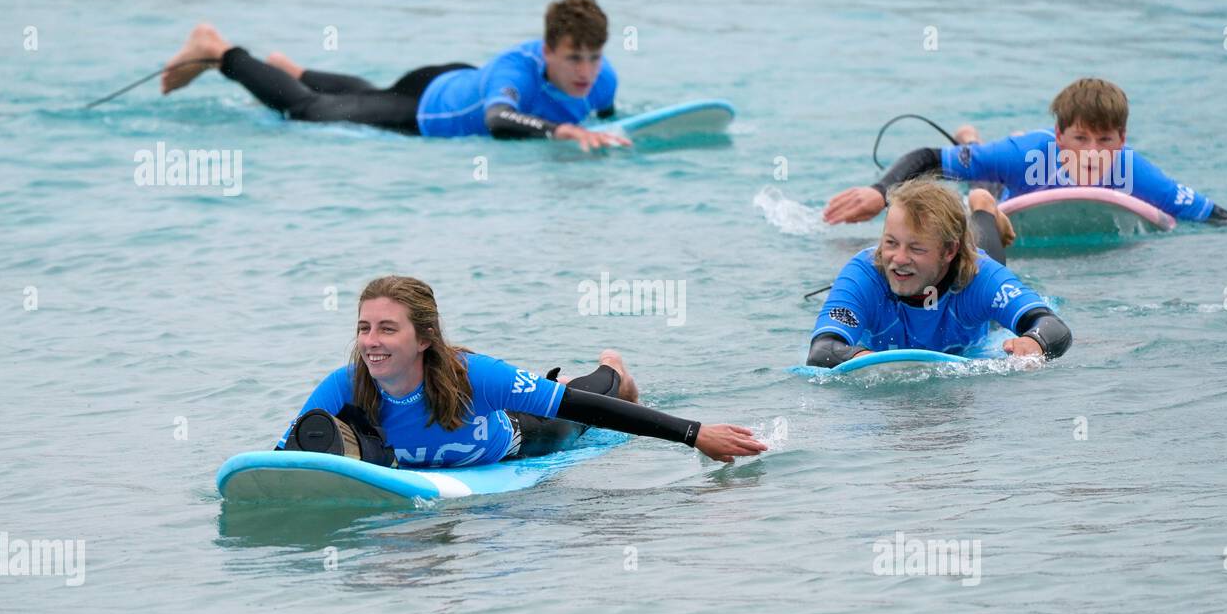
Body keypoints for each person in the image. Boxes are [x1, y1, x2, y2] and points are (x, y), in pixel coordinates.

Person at [279, 276, 768, 467]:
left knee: (576, 410)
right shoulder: (344, 386)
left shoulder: (474, 375)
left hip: (522, 438)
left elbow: (580, 406)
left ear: (423, 338)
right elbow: (284, 453)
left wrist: (694, 433)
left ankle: (614, 369)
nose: (370, 342)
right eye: (364, 327)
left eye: (387, 328)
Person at [160, 0, 630, 151]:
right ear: (549, 49)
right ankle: (219, 50)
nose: (586, 70)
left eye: (594, 57)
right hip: (423, 107)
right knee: (307, 110)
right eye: (573, 58)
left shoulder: (602, 75)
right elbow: (498, 120)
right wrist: (563, 131)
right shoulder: (517, 69)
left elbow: (607, 116)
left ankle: (292, 69)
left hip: (449, 81)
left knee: (367, 94)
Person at [823, 78, 1227, 226]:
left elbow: (1216, 218)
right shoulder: (1027, 153)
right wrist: (881, 192)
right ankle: (971, 143)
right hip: (1010, 179)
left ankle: (974, 143)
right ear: (1059, 136)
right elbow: (928, 158)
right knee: (979, 174)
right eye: (1081, 139)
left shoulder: (1135, 173)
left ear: (1123, 139)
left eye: (1105, 141)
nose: (1093, 153)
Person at [807, 179, 1072, 367]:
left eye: (916, 248)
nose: (898, 259)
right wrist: (861, 359)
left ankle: (983, 208)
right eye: (890, 242)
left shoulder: (980, 276)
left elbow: (1052, 327)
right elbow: (823, 350)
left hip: (975, 322)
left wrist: (1033, 343)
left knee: (989, 255)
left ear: (948, 251)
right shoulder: (863, 275)